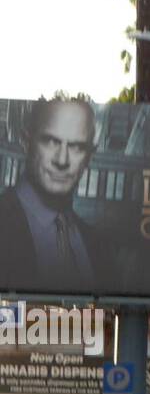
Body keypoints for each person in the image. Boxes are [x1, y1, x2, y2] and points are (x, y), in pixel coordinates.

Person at [0, 99, 108, 293]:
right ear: (26, 142)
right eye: (51, 141)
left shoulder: (96, 244)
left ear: (89, 156)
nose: (62, 160)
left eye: (76, 147)